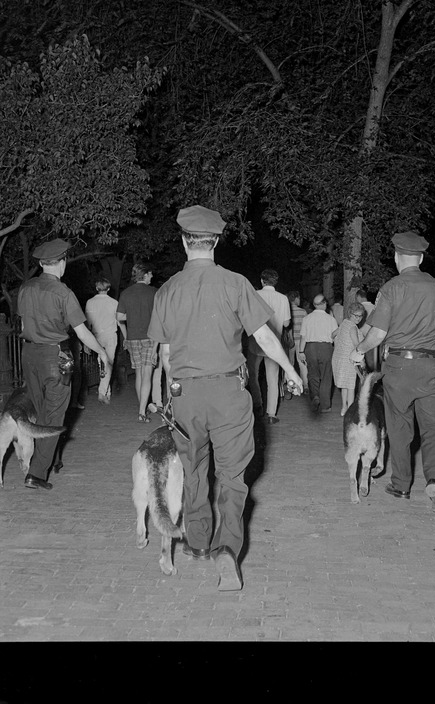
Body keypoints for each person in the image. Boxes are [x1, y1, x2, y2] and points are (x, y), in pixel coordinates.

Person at [148, 205, 303, 592]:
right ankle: (228, 549)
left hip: (186, 393)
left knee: (195, 469)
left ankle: (198, 543)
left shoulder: (166, 289)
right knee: (233, 476)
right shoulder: (236, 283)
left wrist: (174, 390)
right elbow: (264, 337)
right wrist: (290, 370)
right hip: (229, 393)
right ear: (216, 241)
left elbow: (165, 355)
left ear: (185, 241)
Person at [349, 229, 435, 515]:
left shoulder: (392, 288)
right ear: (420, 258)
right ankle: (434, 481)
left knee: (400, 427)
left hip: (399, 367)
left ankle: (402, 484)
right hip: (433, 365)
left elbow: (378, 332)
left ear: (397, 257)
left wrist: (358, 349)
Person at [17, 239, 108, 490]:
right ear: (62, 262)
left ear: (41, 263)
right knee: (54, 414)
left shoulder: (25, 288)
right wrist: (101, 352)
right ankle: (36, 473)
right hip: (55, 356)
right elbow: (81, 332)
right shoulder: (63, 293)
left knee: (42, 410)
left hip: (29, 356)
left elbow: (24, 327)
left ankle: (52, 458)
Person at [246, 268, 292, 424]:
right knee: (272, 379)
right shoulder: (283, 299)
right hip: (274, 344)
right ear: (275, 282)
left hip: (256, 342)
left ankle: (258, 404)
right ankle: (271, 413)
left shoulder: (254, 295)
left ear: (261, 281)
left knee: (253, 375)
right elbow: (286, 323)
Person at [117, 261, 159, 422]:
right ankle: (142, 412)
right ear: (146, 274)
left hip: (133, 338)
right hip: (149, 338)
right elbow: (158, 320)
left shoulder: (126, 293)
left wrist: (126, 336)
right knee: (147, 373)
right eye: (150, 274)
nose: (152, 276)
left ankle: (141, 407)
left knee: (140, 373)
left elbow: (119, 318)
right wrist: (156, 347)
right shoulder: (154, 292)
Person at [299, 293, 339, 413]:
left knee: (312, 374)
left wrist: (301, 351)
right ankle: (325, 405)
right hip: (325, 347)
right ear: (323, 304)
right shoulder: (331, 319)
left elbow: (303, 337)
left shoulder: (307, 318)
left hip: (310, 347)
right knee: (326, 376)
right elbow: (335, 337)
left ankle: (315, 396)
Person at [85, 277, 119, 404]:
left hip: (96, 336)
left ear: (96, 288)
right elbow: (118, 321)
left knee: (102, 364)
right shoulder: (114, 303)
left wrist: (86, 342)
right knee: (108, 363)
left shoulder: (90, 302)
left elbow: (88, 323)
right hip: (110, 335)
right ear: (108, 289)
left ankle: (106, 392)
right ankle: (102, 391)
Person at [331, 301, 366, 416]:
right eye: (356, 315)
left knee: (345, 385)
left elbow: (332, 334)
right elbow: (357, 345)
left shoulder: (344, 323)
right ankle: (350, 411)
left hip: (339, 357)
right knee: (351, 385)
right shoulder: (352, 327)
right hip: (349, 359)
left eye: (361, 316)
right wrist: (362, 360)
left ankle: (344, 408)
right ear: (350, 313)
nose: (359, 318)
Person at [287, 291, 310, 389]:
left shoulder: (287, 311)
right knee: (302, 364)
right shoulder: (303, 312)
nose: (299, 300)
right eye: (299, 298)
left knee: (289, 363)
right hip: (301, 341)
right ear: (295, 298)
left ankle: (291, 385)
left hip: (289, 341)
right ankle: (305, 385)